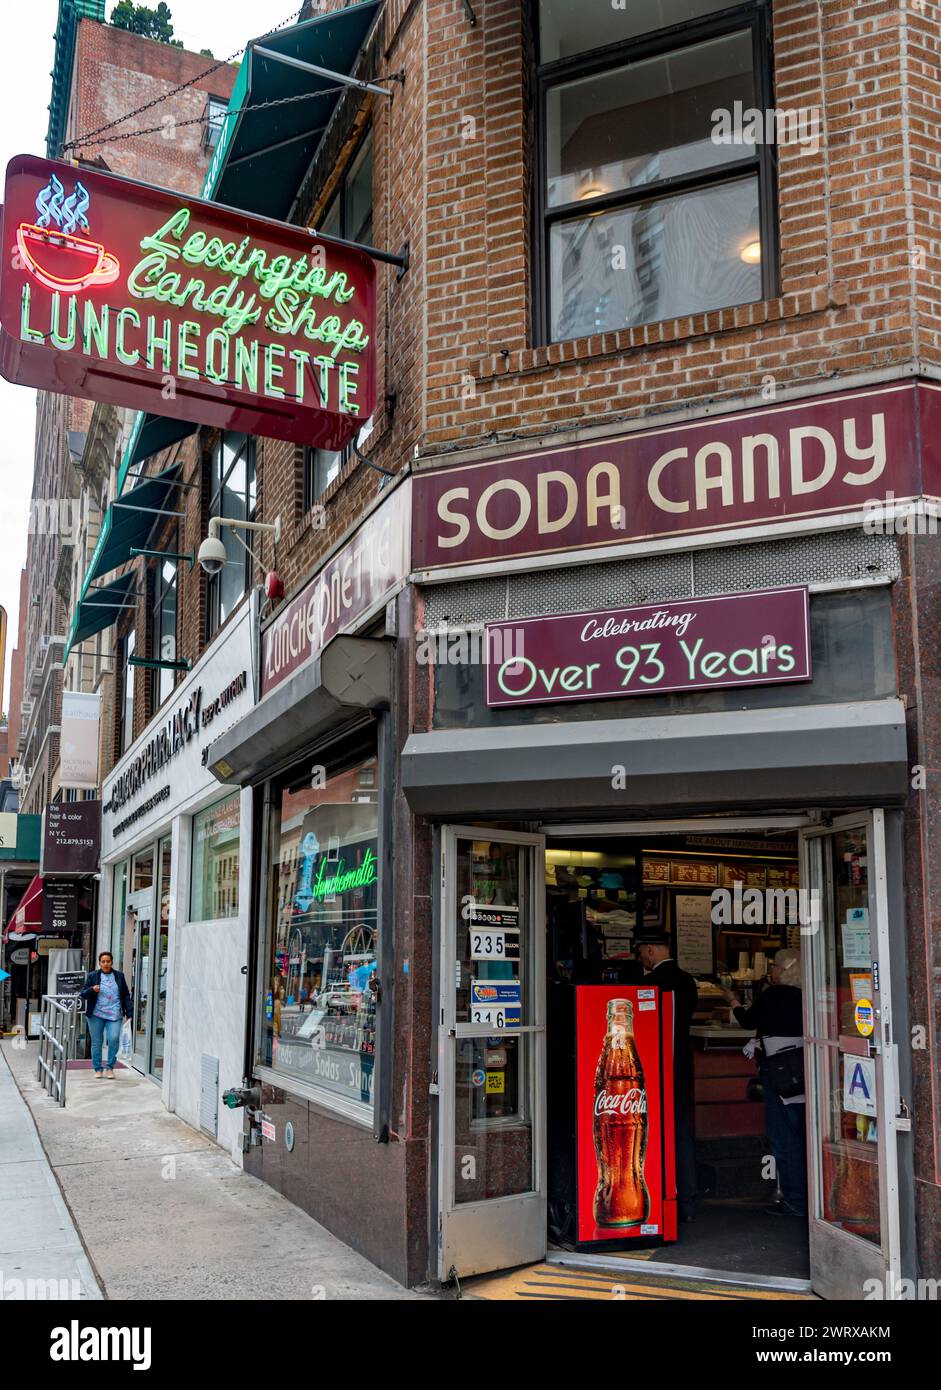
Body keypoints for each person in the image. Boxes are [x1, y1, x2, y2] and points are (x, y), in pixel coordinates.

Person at [722, 947, 806, 1217]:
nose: (772, 971)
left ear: (786, 969)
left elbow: (749, 1021)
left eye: (776, 967)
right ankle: (809, 1199)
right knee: (802, 1134)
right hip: (805, 1070)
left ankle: (795, 1199)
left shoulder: (776, 995)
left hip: (779, 1073)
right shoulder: (807, 995)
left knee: (783, 1137)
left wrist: (733, 1001)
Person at [635, 932, 699, 1222]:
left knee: (655, 1129)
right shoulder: (687, 980)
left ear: (649, 950)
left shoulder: (650, 983)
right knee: (682, 1129)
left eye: (641, 952)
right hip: (683, 1061)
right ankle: (687, 1199)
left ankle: (660, 1194)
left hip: (656, 1063)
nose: (641, 958)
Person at [80, 951, 132, 1079]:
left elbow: (125, 994)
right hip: (96, 1014)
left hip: (115, 1013)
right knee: (97, 1042)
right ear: (99, 963)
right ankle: (98, 1068)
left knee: (114, 1038)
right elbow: (83, 993)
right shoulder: (93, 976)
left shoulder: (119, 976)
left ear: (111, 962)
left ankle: (110, 1067)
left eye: (108, 961)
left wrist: (129, 1012)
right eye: (103, 961)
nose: (105, 964)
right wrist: (92, 989)